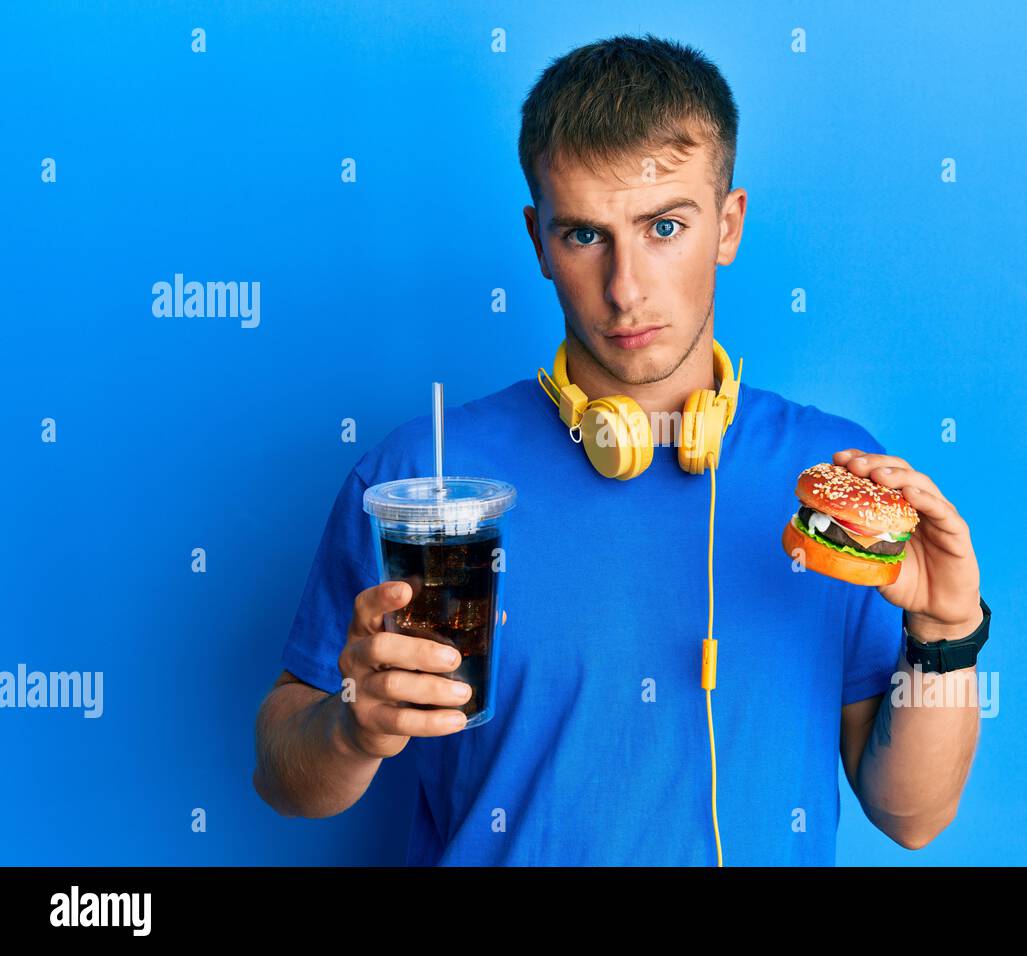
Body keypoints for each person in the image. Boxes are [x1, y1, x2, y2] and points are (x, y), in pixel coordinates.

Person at [252, 33, 986, 866]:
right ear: (538, 242)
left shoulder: (832, 485)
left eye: (664, 225)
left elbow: (912, 817)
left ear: (729, 224)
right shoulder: (424, 480)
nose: (627, 288)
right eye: (584, 236)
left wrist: (944, 630)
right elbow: (283, 779)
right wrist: (351, 725)